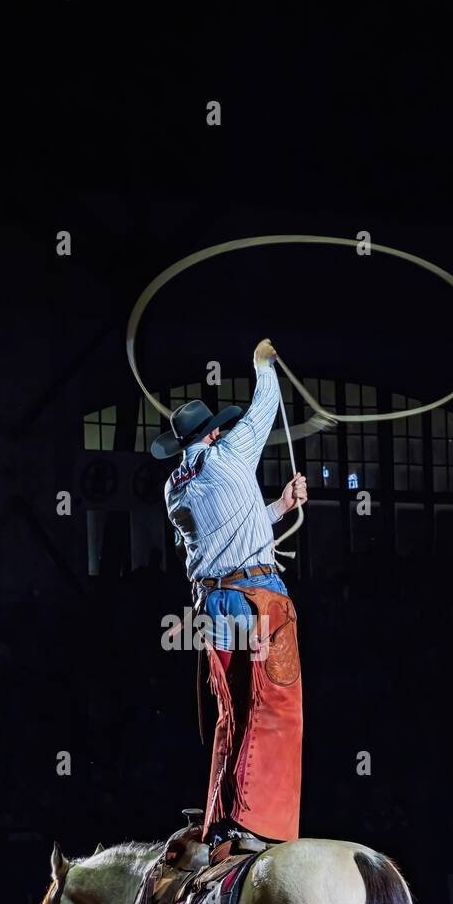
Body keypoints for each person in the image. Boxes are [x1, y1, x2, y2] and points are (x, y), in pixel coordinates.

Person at [153, 338, 307, 859]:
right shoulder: (230, 453)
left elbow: (224, 532)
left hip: (212, 605)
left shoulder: (176, 487)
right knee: (273, 705)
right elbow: (266, 405)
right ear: (214, 433)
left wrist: (279, 506)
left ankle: (220, 815)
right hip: (257, 598)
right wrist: (263, 364)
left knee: (231, 711)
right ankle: (251, 820)